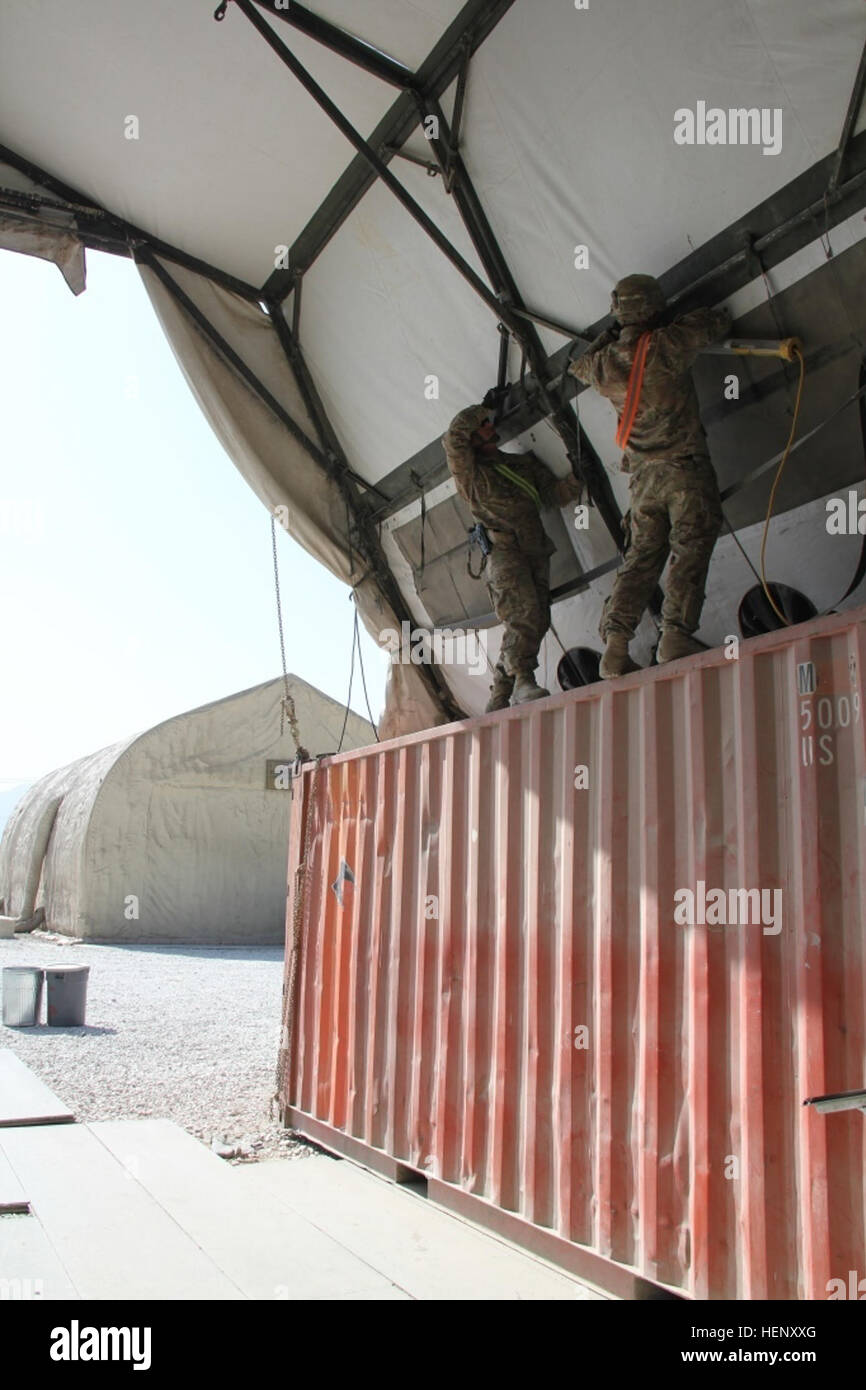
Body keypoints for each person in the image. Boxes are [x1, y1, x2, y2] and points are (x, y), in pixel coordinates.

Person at [568, 274, 731, 678]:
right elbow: (716, 321)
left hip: (642, 482)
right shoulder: (665, 344)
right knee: (690, 547)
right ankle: (674, 634)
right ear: (653, 308)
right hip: (683, 469)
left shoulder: (603, 365)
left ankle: (615, 647)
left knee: (641, 560)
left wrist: (611, 332)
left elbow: (577, 365)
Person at [443, 405, 582, 709]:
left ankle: (500, 694)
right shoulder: (470, 475)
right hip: (504, 552)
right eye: (481, 426)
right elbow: (452, 439)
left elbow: (553, 496)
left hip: (536, 550)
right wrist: (485, 408)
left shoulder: (521, 465)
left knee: (537, 619)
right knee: (524, 614)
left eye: (488, 423)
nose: (488, 427)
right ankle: (523, 681)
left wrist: (577, 477)